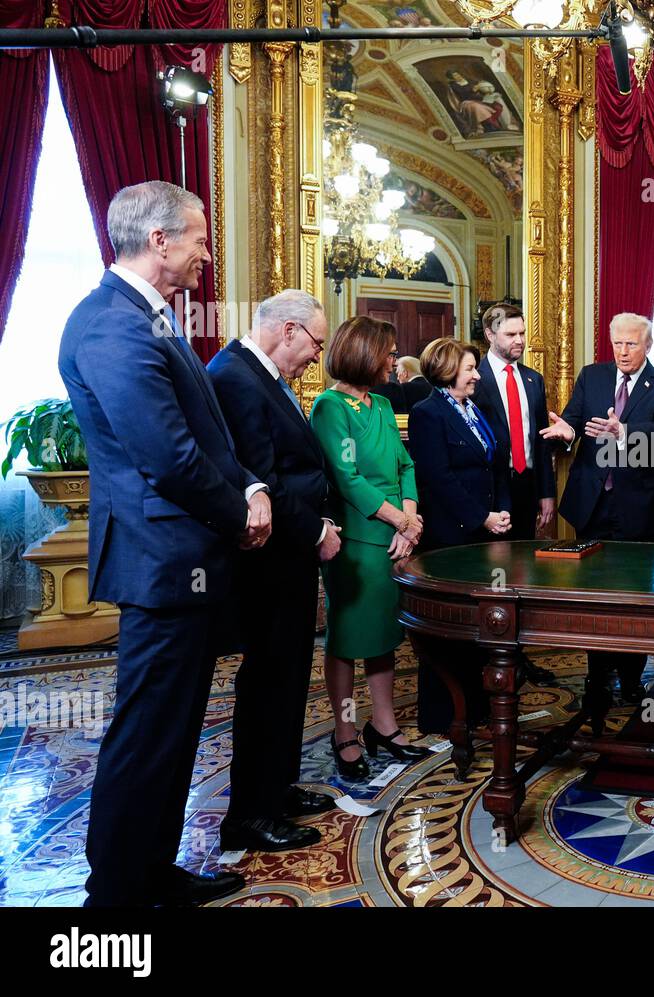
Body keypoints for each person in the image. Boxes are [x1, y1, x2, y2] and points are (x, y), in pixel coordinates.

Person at [59, 180, 266, 905]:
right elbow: (169, 457)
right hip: (161, 560)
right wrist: (242, 511)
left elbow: (205, 439)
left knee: (173, 729)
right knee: (147, 730)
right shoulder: (113, 324)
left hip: (181, 558)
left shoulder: (148, 317)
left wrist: (248, 484)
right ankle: (115, 892)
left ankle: (150, 868)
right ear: (159, 241)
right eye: (200, 240)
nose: (206, 256)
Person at [207, 289, 340, 853]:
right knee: (268, 682)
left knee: (288, 679)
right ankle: (250, 814)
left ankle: (277, 788)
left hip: (289, 557)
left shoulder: (263, 376)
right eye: (314, 342)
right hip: (268, 560)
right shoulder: (236, 376)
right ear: (287, 330)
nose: (316, 355)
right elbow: (264, 478)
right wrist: (316, 530)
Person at [539, 312, 654, 703]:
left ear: (647, 345)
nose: (623, 351)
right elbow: (571, 420)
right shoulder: (592, 376)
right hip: (593, 506)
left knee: (635, 599)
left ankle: (632, 680)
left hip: (638, 510)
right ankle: (597, 679)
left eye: (631, 343)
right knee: (594, 598)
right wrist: (566, 434)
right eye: (617, 343)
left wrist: (624, 432)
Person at [311, 316, 425, 782]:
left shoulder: (380, 403)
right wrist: (400, 518)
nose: (393, 360)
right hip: (355, 544)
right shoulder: (329, 407)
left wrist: (410, 521)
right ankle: (345, 732)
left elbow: (405, 465)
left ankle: (384, 725)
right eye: (388, 352)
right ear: (364, 353)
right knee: (346, 640)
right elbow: (347, 479)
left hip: (396, 540)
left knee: (384, 637)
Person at [407, 338, 512, 731]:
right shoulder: (427, 413)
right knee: (448, 628)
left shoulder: (476, 409)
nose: (476, 375)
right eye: (470, 368)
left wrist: (501, 512)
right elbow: (437, 478)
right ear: (449, 370)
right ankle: (443, 715)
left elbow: (496, 465)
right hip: (451, 537)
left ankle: (477, 707)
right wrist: (480, 517)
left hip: (484, 534)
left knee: (477, 627)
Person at [473, 303, 557, 541]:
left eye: (522, 333)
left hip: (527, 486)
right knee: (494, 564)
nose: (519, 340)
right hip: (491, 488)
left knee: (524, 562)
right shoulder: (474, 380)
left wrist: (546, 493)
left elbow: (541, 441)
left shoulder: (534, 380)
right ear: (490, 335)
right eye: (510, 335)